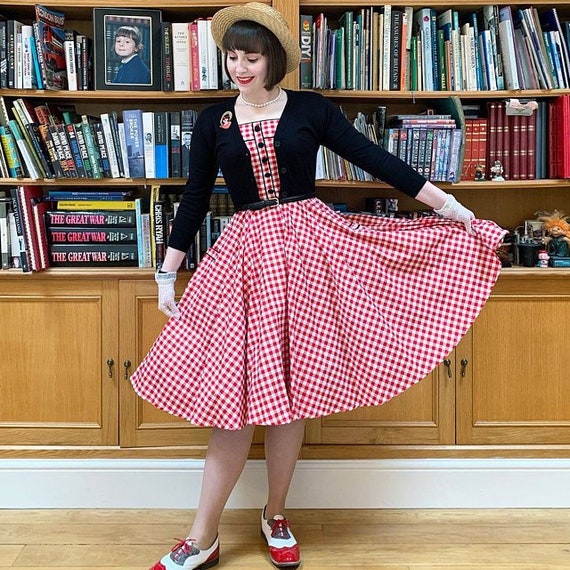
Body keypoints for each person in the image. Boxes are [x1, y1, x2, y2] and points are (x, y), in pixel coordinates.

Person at [130, 3, 506, 569]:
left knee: (291, 398)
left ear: (273, 59)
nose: (239, 67)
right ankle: (201, 534)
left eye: (251, 57)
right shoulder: (215, 121)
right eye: (232, 57)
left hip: (311, 257)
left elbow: (375, 159)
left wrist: (453, 209)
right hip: (244, 263)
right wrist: (166, 270)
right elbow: (194, 196)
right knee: (232, 406)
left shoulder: (310, 109)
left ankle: (274, 513)